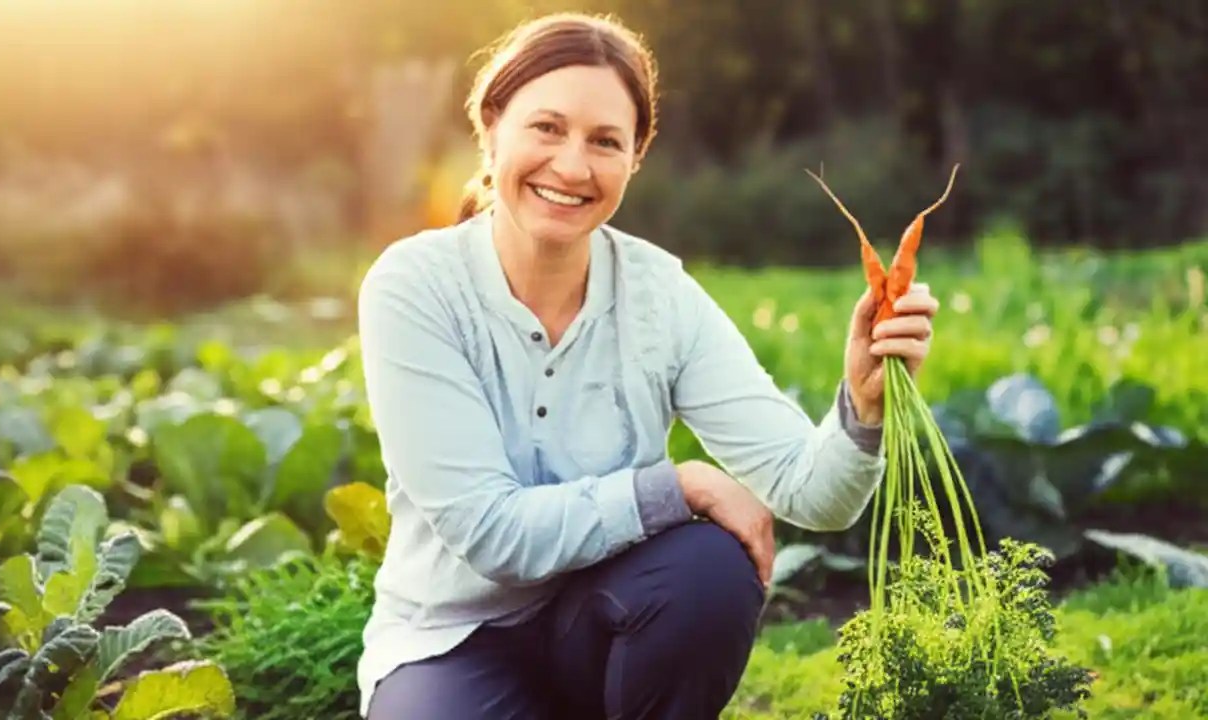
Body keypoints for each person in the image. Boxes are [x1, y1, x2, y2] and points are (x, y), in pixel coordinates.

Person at [355, 11, 939, 720]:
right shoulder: (416, 286)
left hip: (603, 619)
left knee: (708, 574)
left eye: (606, 141)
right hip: (450, 642)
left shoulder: (660, 296)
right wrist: (679, 486)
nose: (572, 166)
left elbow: (809, 490)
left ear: (635, 157)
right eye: (546, 128)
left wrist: (863, 405)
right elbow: (492, 533)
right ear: (491, 122)